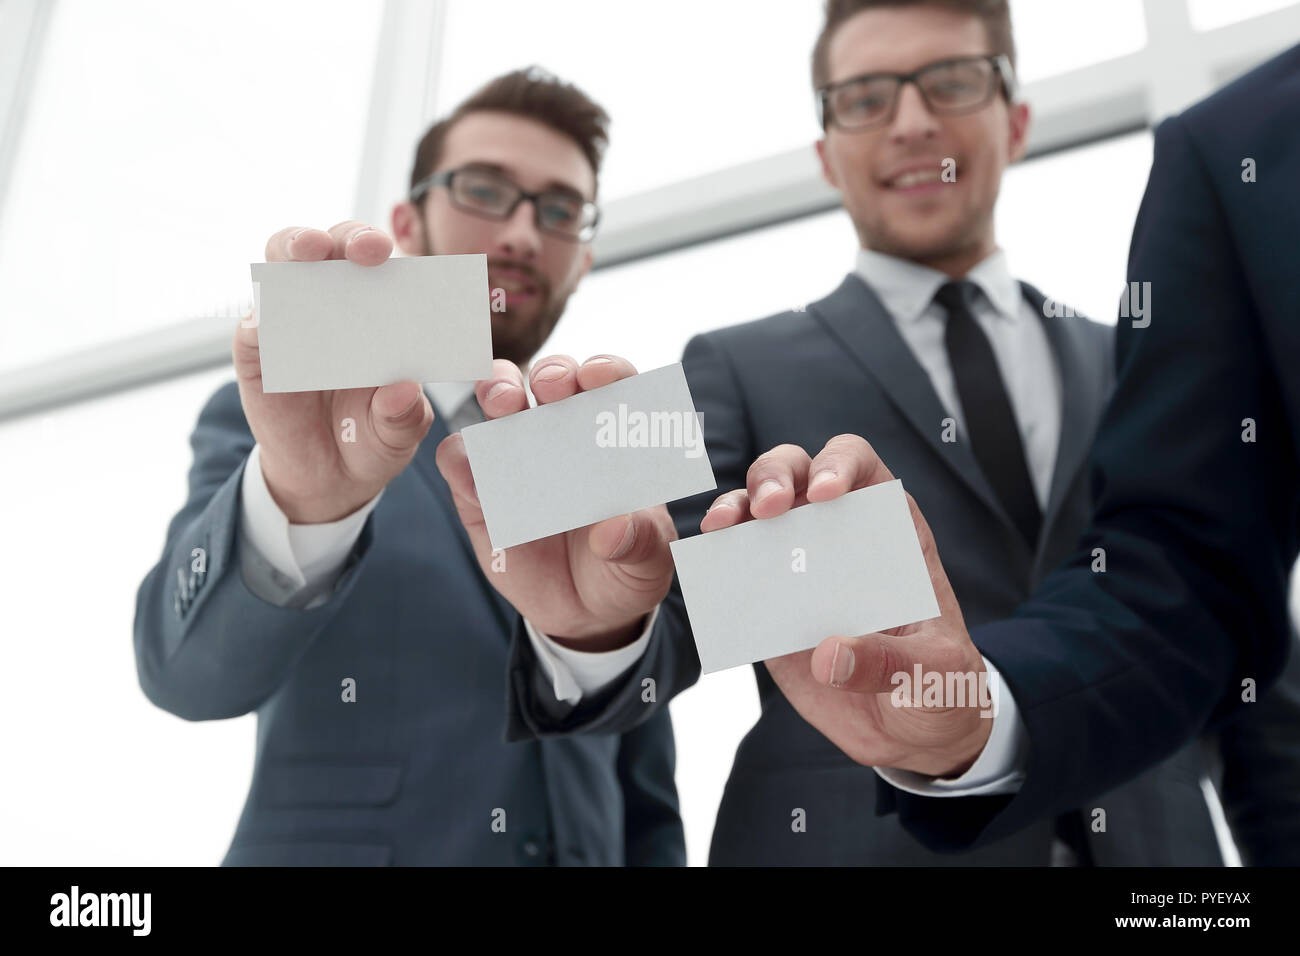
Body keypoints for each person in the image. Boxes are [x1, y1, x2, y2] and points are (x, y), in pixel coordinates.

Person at [431, 4, 1300, 864]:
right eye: (865, 98)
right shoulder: (738, 364)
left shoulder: (1142, 364)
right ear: (825, 154)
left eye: (953, 81)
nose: (913, 123)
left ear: (1018, 119)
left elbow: (1242, 638)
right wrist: (593, 633)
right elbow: (668, 610)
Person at [133, 68, 685, 867]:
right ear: (407, 220)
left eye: (560, 210)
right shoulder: (296, 416)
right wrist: (302, 502)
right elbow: (184, 675)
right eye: (486, 189)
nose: (525, 233)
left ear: (584, 259)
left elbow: (646, 791)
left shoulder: (600, 459)